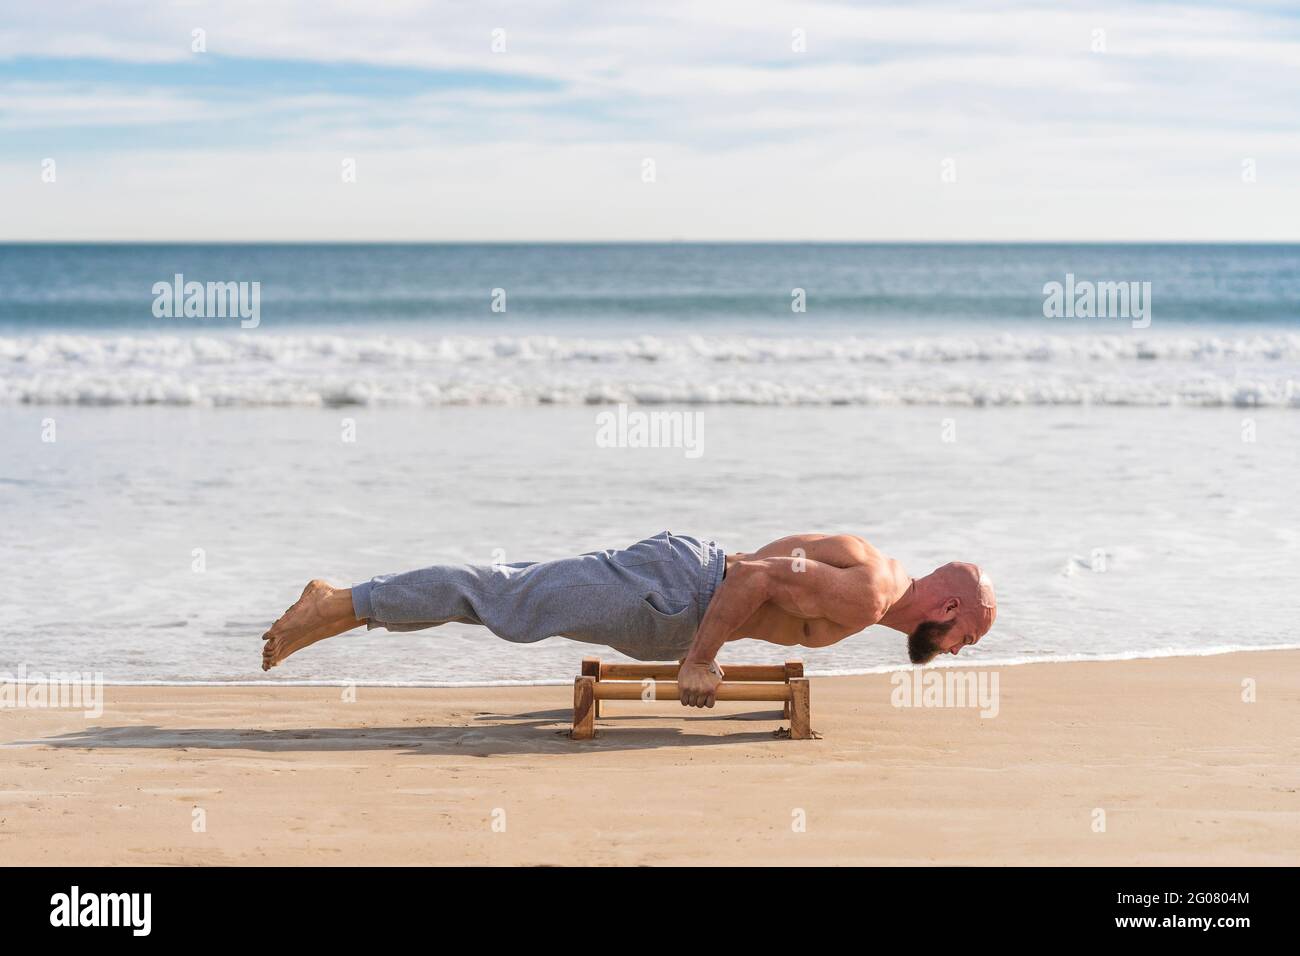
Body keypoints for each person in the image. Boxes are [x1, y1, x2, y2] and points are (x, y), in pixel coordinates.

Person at [261, 530, 996, 707]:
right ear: (950, 608)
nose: (958, 651)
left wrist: (702, 647)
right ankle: (341, 602)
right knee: (509, 601)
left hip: (675, 596)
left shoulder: (878, 585)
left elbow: (768, 584)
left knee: (512, 595)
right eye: (966, 637)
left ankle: (353, 607)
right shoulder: (870, 593)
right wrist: (701, 658)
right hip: (678, 592)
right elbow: (756, 575)